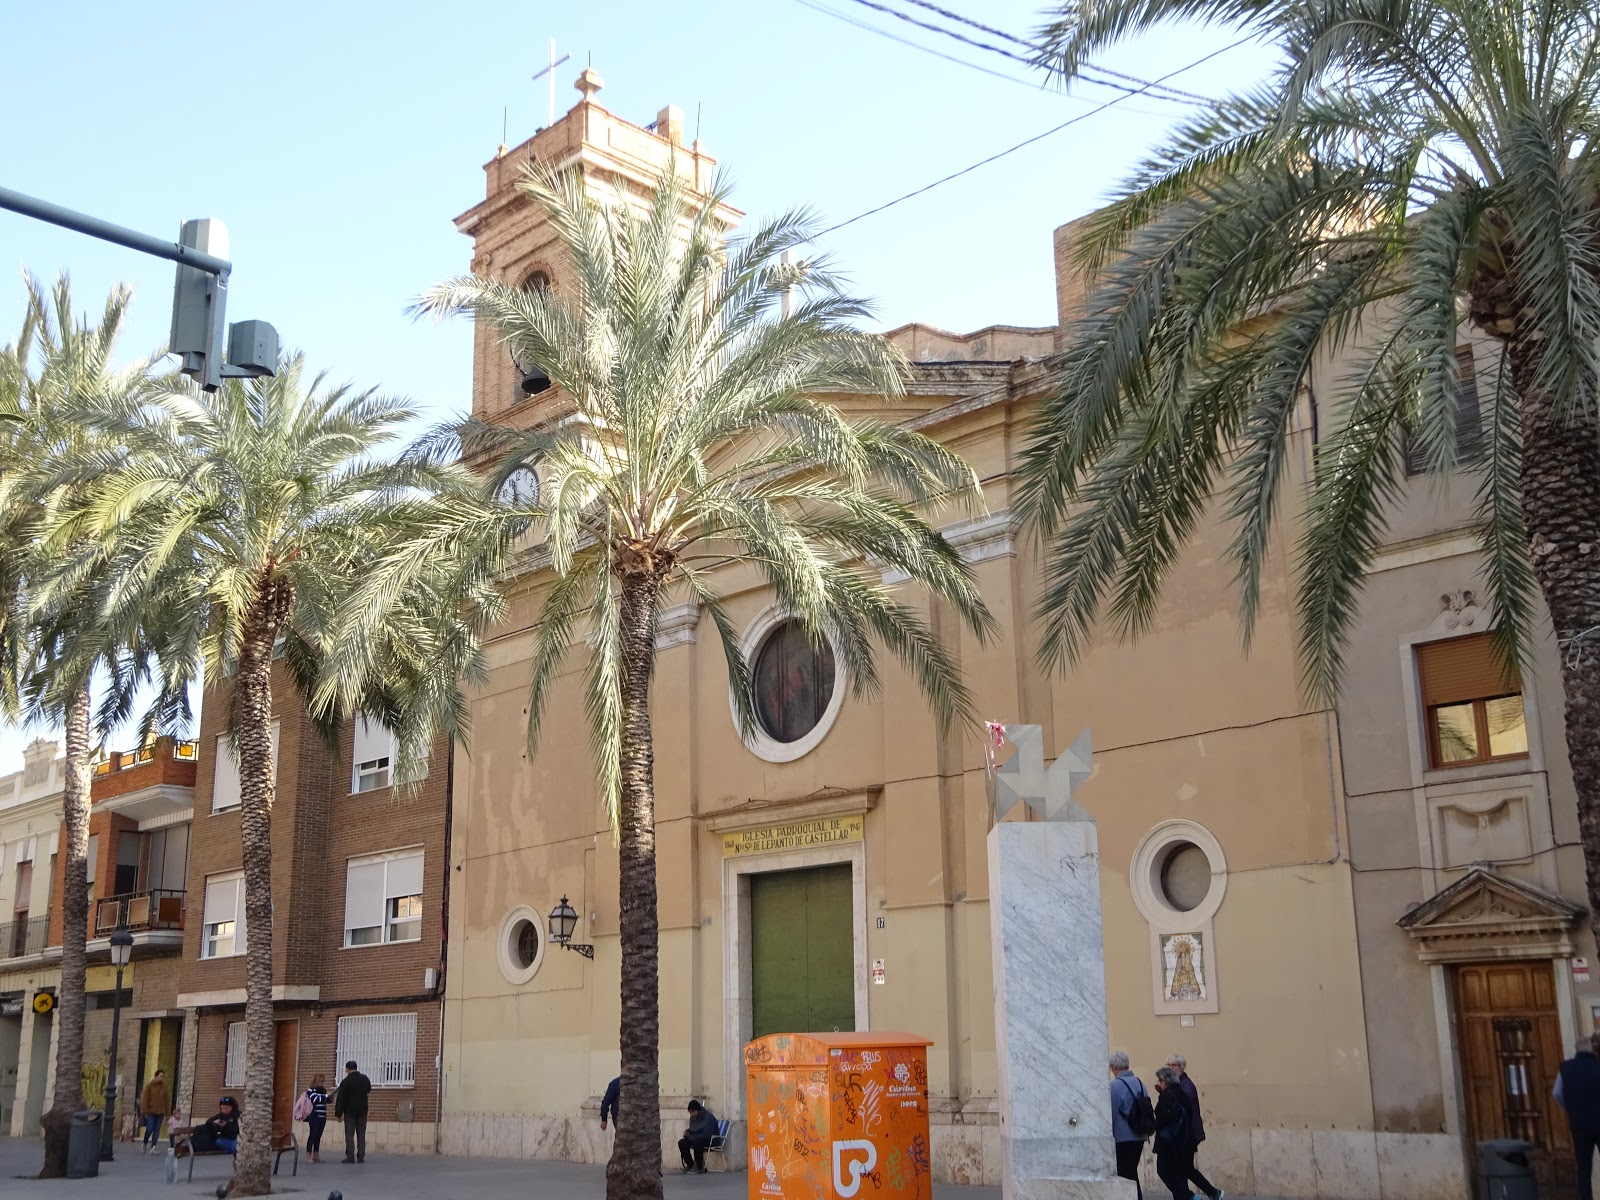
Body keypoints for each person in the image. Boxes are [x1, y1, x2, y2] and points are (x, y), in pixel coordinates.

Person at [1167, 1055, 1223, 1200]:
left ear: (1180, 1067)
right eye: (1168, 1064)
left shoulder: (1186, 1085)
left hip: (1188, 1135)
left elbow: (1180, 1106)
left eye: (1171, 1065)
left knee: (1183, 1168)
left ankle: (1207, 1193)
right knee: (1184, 1168)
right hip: (1185, 1134)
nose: (1168, 1067)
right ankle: (1209, 1192)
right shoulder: (1180, 1084)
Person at [1555, 1033, 1600, 1200]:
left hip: (1579, 1124)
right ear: (1593, 1051)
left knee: (1583, 1169)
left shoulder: (1566, 1068)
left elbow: (1557, 1093)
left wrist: (1571, 1108)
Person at [1109, 1051, 1149, 1200]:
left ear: (1114, 1067)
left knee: (1126, 1174)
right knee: (1132, 1172)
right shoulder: (1140, 1082)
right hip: (1140, 1135)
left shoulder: (1114, 1086)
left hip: (1123, 1137)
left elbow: (1111, 1113)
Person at [1153, 1067, 1194, 1200]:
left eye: (1160, 1080)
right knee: (1179, 1174)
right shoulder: (1182, 1092)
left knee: (1163, 1170)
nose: (1158, 1083)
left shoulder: (1166, 1095)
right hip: (1183, 1139)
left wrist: (1154, 1125)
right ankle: (1186, 1197)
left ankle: (1190, 1196)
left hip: (1168, 1141)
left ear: (1166, 1081)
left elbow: (1163, 1116)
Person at [334, 1059, 372, 1164]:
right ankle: (361, 1156)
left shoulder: (345, 1082)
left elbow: (341, 1099)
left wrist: (338, 1114)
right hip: (362, 1110)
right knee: (361, 1133)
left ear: (347, 1069)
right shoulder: (364, 1079)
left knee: (349, 1134)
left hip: (350, 1111)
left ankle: (350, 1156)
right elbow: (368, 1089)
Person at [679, 1099, 718, 1174]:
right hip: (696, 1138)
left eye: (693, 1112)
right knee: (682, 1143)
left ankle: (699, 1167)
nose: (691, 1114)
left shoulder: (708, 1118)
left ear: (698, 1110)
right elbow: (693, 1129)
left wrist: (692, 1136)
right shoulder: (694, 1118)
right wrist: (688, 1132)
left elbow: (706, 1134)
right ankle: (690, 1165)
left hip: (710, 1140)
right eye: (690, 1112)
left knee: (698, 1141)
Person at [140, 1068, 171, 1153]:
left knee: (156, 1130)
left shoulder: (164, 1087)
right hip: (151, 1112)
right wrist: (145, 1111)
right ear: (156, 1076)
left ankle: (153, 1147)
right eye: (160, 1076)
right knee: (149, 1129)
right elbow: (144, 1099)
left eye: (162, 1077)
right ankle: (145, 1143)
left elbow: (167, 1101)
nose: (162, 1078)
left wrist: (168, 1114)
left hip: (160, 1112)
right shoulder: (149, 1086)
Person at [304, 1073, 331, 1163]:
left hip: (323, 1115)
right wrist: (325, 1097)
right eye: (321, 1081)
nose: (322, 1083)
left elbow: (326, 1100)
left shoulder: (323, 1090)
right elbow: (314, 1099)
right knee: (313, 1134)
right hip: (314, 1115)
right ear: (316, 1080)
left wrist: (329, 1098)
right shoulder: (310, 1090)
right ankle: (309, 1154)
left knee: (318, 1136)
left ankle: (316, 1154)